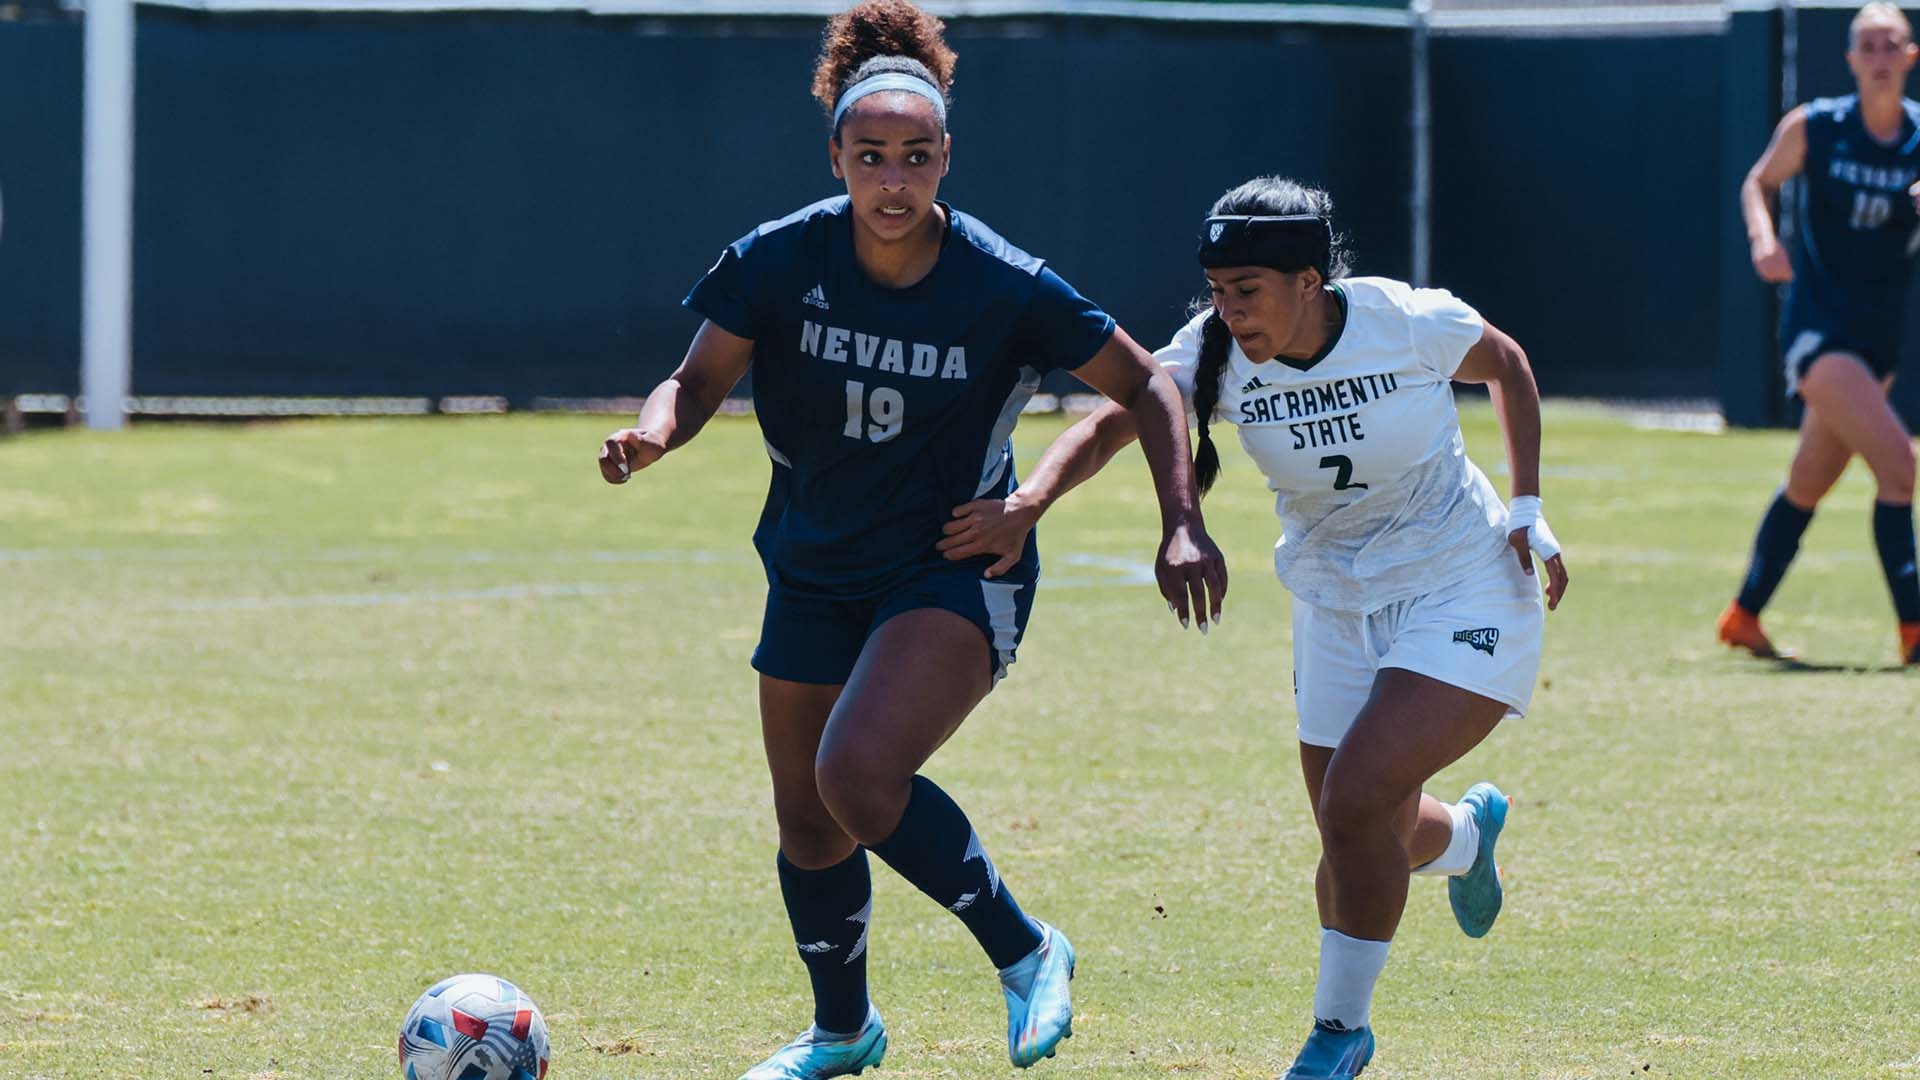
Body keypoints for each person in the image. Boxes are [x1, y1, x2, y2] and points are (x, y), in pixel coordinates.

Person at [595, 3, 1227, 1077]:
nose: (894, 181)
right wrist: (656, 432)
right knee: (808, 820)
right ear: (835, 154)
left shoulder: (1003, 282)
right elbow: (697, 380)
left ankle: (1028, 953)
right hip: (811, 562)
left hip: (952, 562)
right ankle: (844, 1032)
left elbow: (1150, 383)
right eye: (872, 156)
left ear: (947, 159)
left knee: (859, 774)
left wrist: (1178, 521)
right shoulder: (776, 257)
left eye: (917, 158)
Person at [937, 176, 1568, 1080]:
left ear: (1310, 281)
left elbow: (1504, 362)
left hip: (1461, 584)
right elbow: (1121, 417)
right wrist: (1028, 502)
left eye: (1249, 291)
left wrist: (1528, 506)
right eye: (1218, 292)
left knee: (1354, 801)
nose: (1229, 313)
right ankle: (1466, 837)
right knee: (1353, 827)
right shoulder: (1214, 352)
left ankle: (1339, 1035)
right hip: (1333, 601)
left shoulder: (1402, 320)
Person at [1720, 1, 1920, 663]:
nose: (1881, 57)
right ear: (1851, 59)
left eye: (1893, 44)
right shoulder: (1816, 126)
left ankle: (1743, 616)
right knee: (1899, 465)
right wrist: (1763, 237)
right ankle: (1915, 631)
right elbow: (1759, 180)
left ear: (1911, 56)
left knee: (1809, 481)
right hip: (1818, 331)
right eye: (1869, 45)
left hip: (1878, 338)